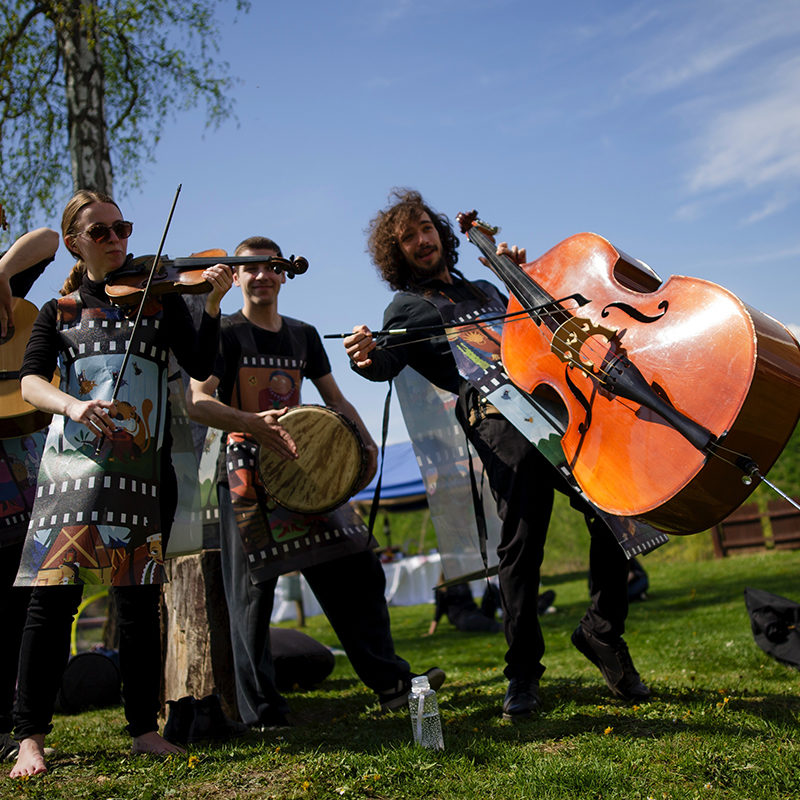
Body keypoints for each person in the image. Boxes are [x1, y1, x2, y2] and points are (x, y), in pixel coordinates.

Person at [344, 189, 650, 721]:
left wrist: (523, 277)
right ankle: (523, 673)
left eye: (425, 228)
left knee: (616, 509)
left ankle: (602, 633)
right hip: (496, 414)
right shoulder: (406, 307)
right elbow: (385, 361)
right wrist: (365, 357)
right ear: (397, 254)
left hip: (550, 403)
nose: (421, 241)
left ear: (440, 232)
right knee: (523, 542)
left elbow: (547, 328)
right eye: (408, 237)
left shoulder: (486, 287)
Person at [10, 190, 232, 778]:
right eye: (101, 232)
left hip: (143, 473)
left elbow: (204, 363)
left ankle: (142, 729)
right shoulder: (58, 312)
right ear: (77, 243)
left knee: (138, 601)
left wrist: (209, 302)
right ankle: (28, 736)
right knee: (51, 602)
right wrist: (74, 406)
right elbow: (31, 384)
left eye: (122, 229)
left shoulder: (159, 307)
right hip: (71, 477)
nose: (116, 240)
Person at [185, 235, 444, 729]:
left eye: (271, 267)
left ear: (284, 275)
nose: (262, 276)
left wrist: (363, 446)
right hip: (246, 470)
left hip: (303, 467)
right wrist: (254, 421)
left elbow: (336, 399)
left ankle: (390, 683)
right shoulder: (225, 333)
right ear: (237, 277)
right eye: (251, 268)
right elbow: (198, 402)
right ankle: (261, 712)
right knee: (253, 594)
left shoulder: (302, 335)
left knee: (356, 562)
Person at [0, 226, 60, 762]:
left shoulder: (5, 281)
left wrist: (0, 274)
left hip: (22, 471)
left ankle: (16, 723)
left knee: (25, 599)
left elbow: (47, 240)